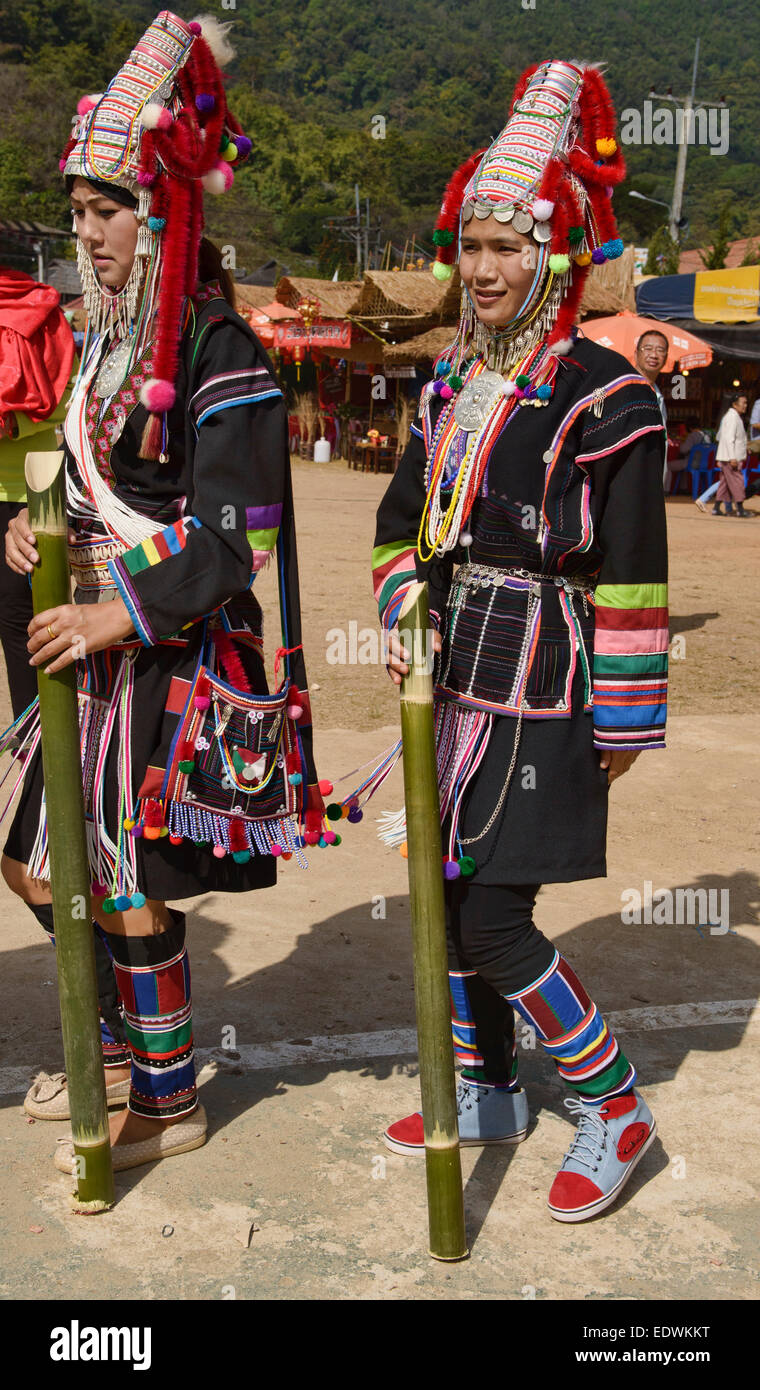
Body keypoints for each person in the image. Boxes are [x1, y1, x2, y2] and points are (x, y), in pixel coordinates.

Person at [1, 12, 325, 1174]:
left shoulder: (219, 348)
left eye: (109, 209)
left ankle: (170, 1093)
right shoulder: (101, 340)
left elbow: (235, 540)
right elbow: (92, 481)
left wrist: (107, 607)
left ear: (165, 209)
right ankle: (131, 1046)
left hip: (160, 647)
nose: (89, 233)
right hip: (88, 650)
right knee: (33, 858)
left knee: (125, 873)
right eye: (81, 210)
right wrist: (30, 534)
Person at [370, 60, 668, 1223]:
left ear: (556, 255)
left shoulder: (609, 400)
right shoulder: (449, 385)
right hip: (449, 680)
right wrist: (404, 609)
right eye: (474, 246)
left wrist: (626, 715)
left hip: (548, 682)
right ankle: (489, 1086)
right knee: (444, 890)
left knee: (493, 913)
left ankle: (614, 1106)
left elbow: (636, 564)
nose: (485, 270)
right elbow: (403, 529)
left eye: (509, 247)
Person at [0, 268, 74, 720]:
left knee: (22, 625)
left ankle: (39, 752)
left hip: (28, 495)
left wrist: (14, 422)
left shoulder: (43, 312)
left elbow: (69, 395)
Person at [713, 391, 749, 516]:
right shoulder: (732, 417)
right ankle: (740, 509)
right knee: (737, 482)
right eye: (743, 403)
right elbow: (729, 439)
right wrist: (732, 457)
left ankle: (716, 507)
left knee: (725, 483)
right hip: (730, 458)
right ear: (734, 404)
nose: (745, 405)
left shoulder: (732, 416)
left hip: (726, 457)